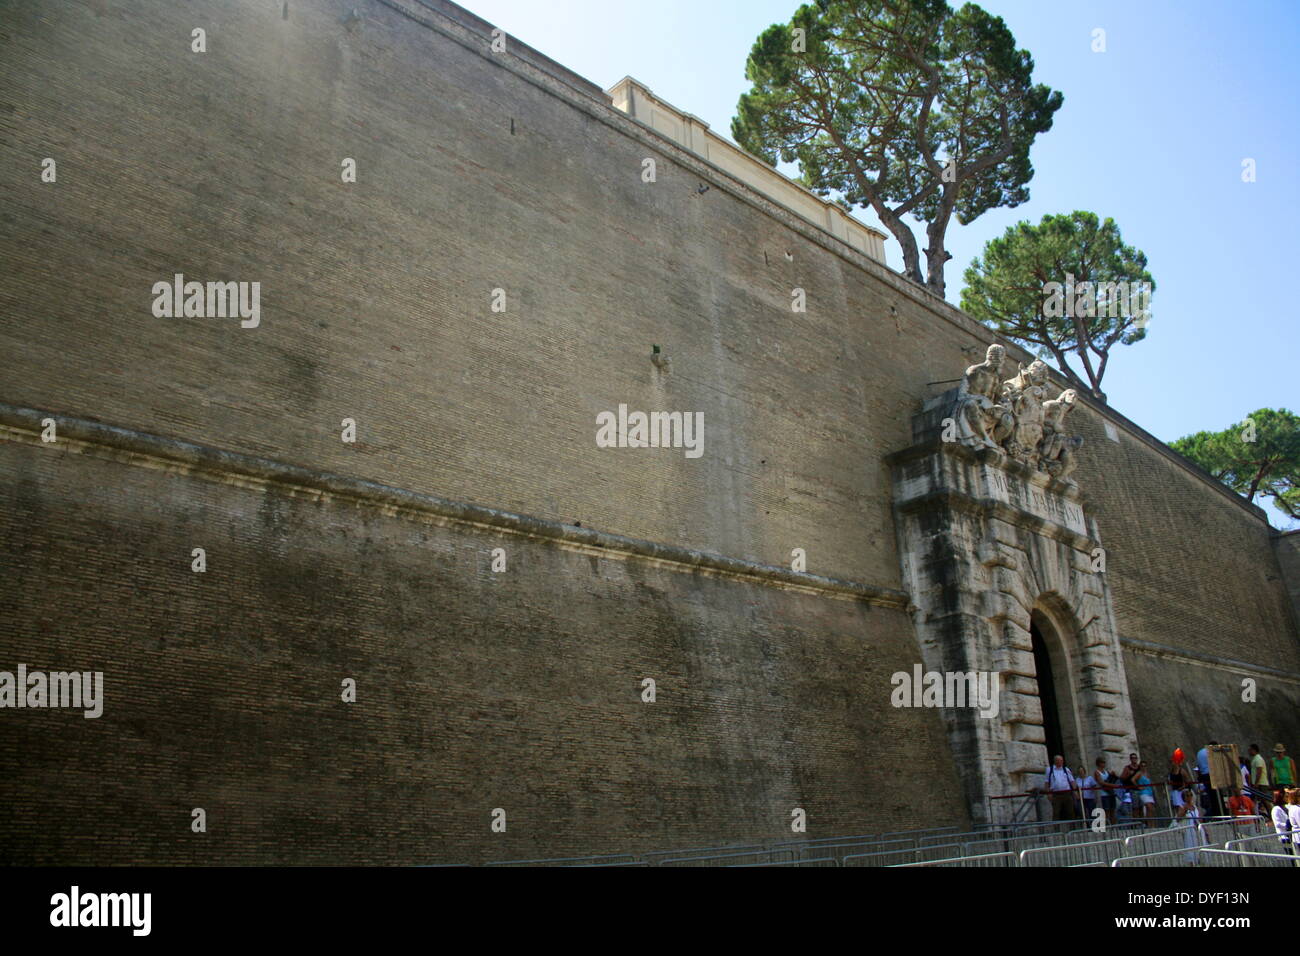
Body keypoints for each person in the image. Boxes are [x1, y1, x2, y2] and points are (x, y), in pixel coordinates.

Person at [1044, 755, 1077, 821]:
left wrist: (1075, 791)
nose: (1061, 762)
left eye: (1062, 760)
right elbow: (1047, 782)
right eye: (1059, 760)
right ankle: (1056, 829)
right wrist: (1048, 793)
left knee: (1070, 811)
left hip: (1067, 793)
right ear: (1055, 761)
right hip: (1056, 794)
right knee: (1056, 812)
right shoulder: (1049, 770)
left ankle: (1073, 828)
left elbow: (1072, 781)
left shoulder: (1066, 769)